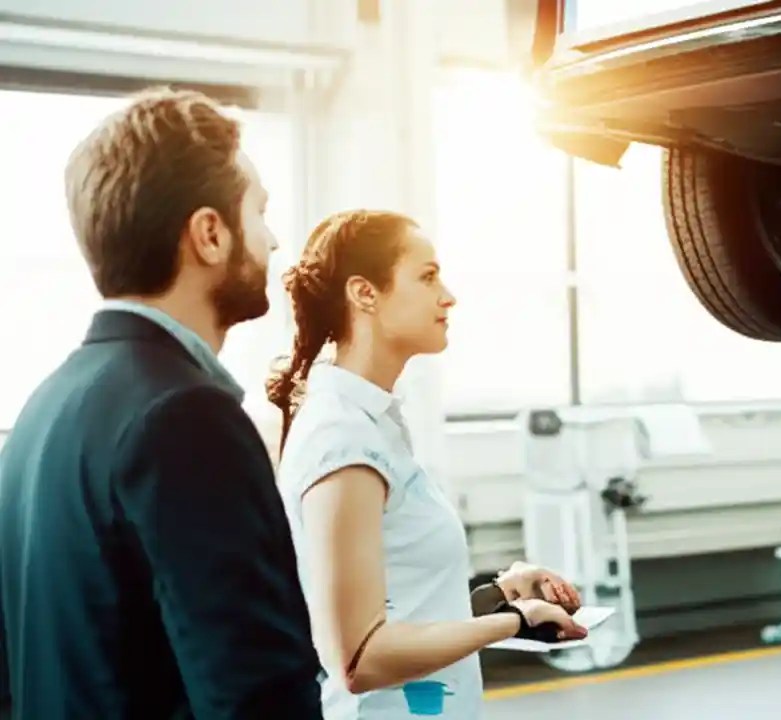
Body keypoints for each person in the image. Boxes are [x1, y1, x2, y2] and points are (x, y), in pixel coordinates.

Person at [0, 88, 322, 718]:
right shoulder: (186, 419)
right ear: (210, 234)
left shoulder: (42, 411)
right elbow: (256, 696)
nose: (276, 240)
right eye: (259, 212)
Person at [267, 210, 588, 720]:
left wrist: (501, 596)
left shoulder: (375, 425)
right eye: (427, 276)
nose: (448, 295)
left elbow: (405, 609)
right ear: (365, 293)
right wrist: (515, 623)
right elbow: (357, 658)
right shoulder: (342, 437)